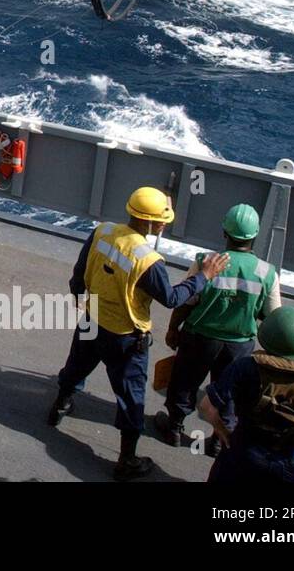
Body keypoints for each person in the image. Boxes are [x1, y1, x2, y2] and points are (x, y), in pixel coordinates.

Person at [47, 187, 229, 480]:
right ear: (152, 223)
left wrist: (79, 294)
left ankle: (60, 406)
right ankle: (127, 459)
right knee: (131, 397)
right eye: (162, 219)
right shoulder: (148, 261)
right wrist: (203, 277)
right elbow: (172, 297)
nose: (164, 223)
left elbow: (80, 272)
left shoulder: (102, 232)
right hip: (126, 338)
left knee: (76, 366)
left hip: (92, 320)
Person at [154, 203, 280, 451]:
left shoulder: (206, 262)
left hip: (199, 338)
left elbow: (186, 300)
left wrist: (172, 328)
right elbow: (273, 317)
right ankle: (219, 442)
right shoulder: (267, 272)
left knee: (184, 383)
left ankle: (175, 428)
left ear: (225, 233)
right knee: (229, 392)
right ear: (254, 236)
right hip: (239, 345)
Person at [201, 306, 294, 482]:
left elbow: (207, 406)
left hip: (241, 450)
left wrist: (223, 432)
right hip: (285, 461)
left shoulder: (245, 367)